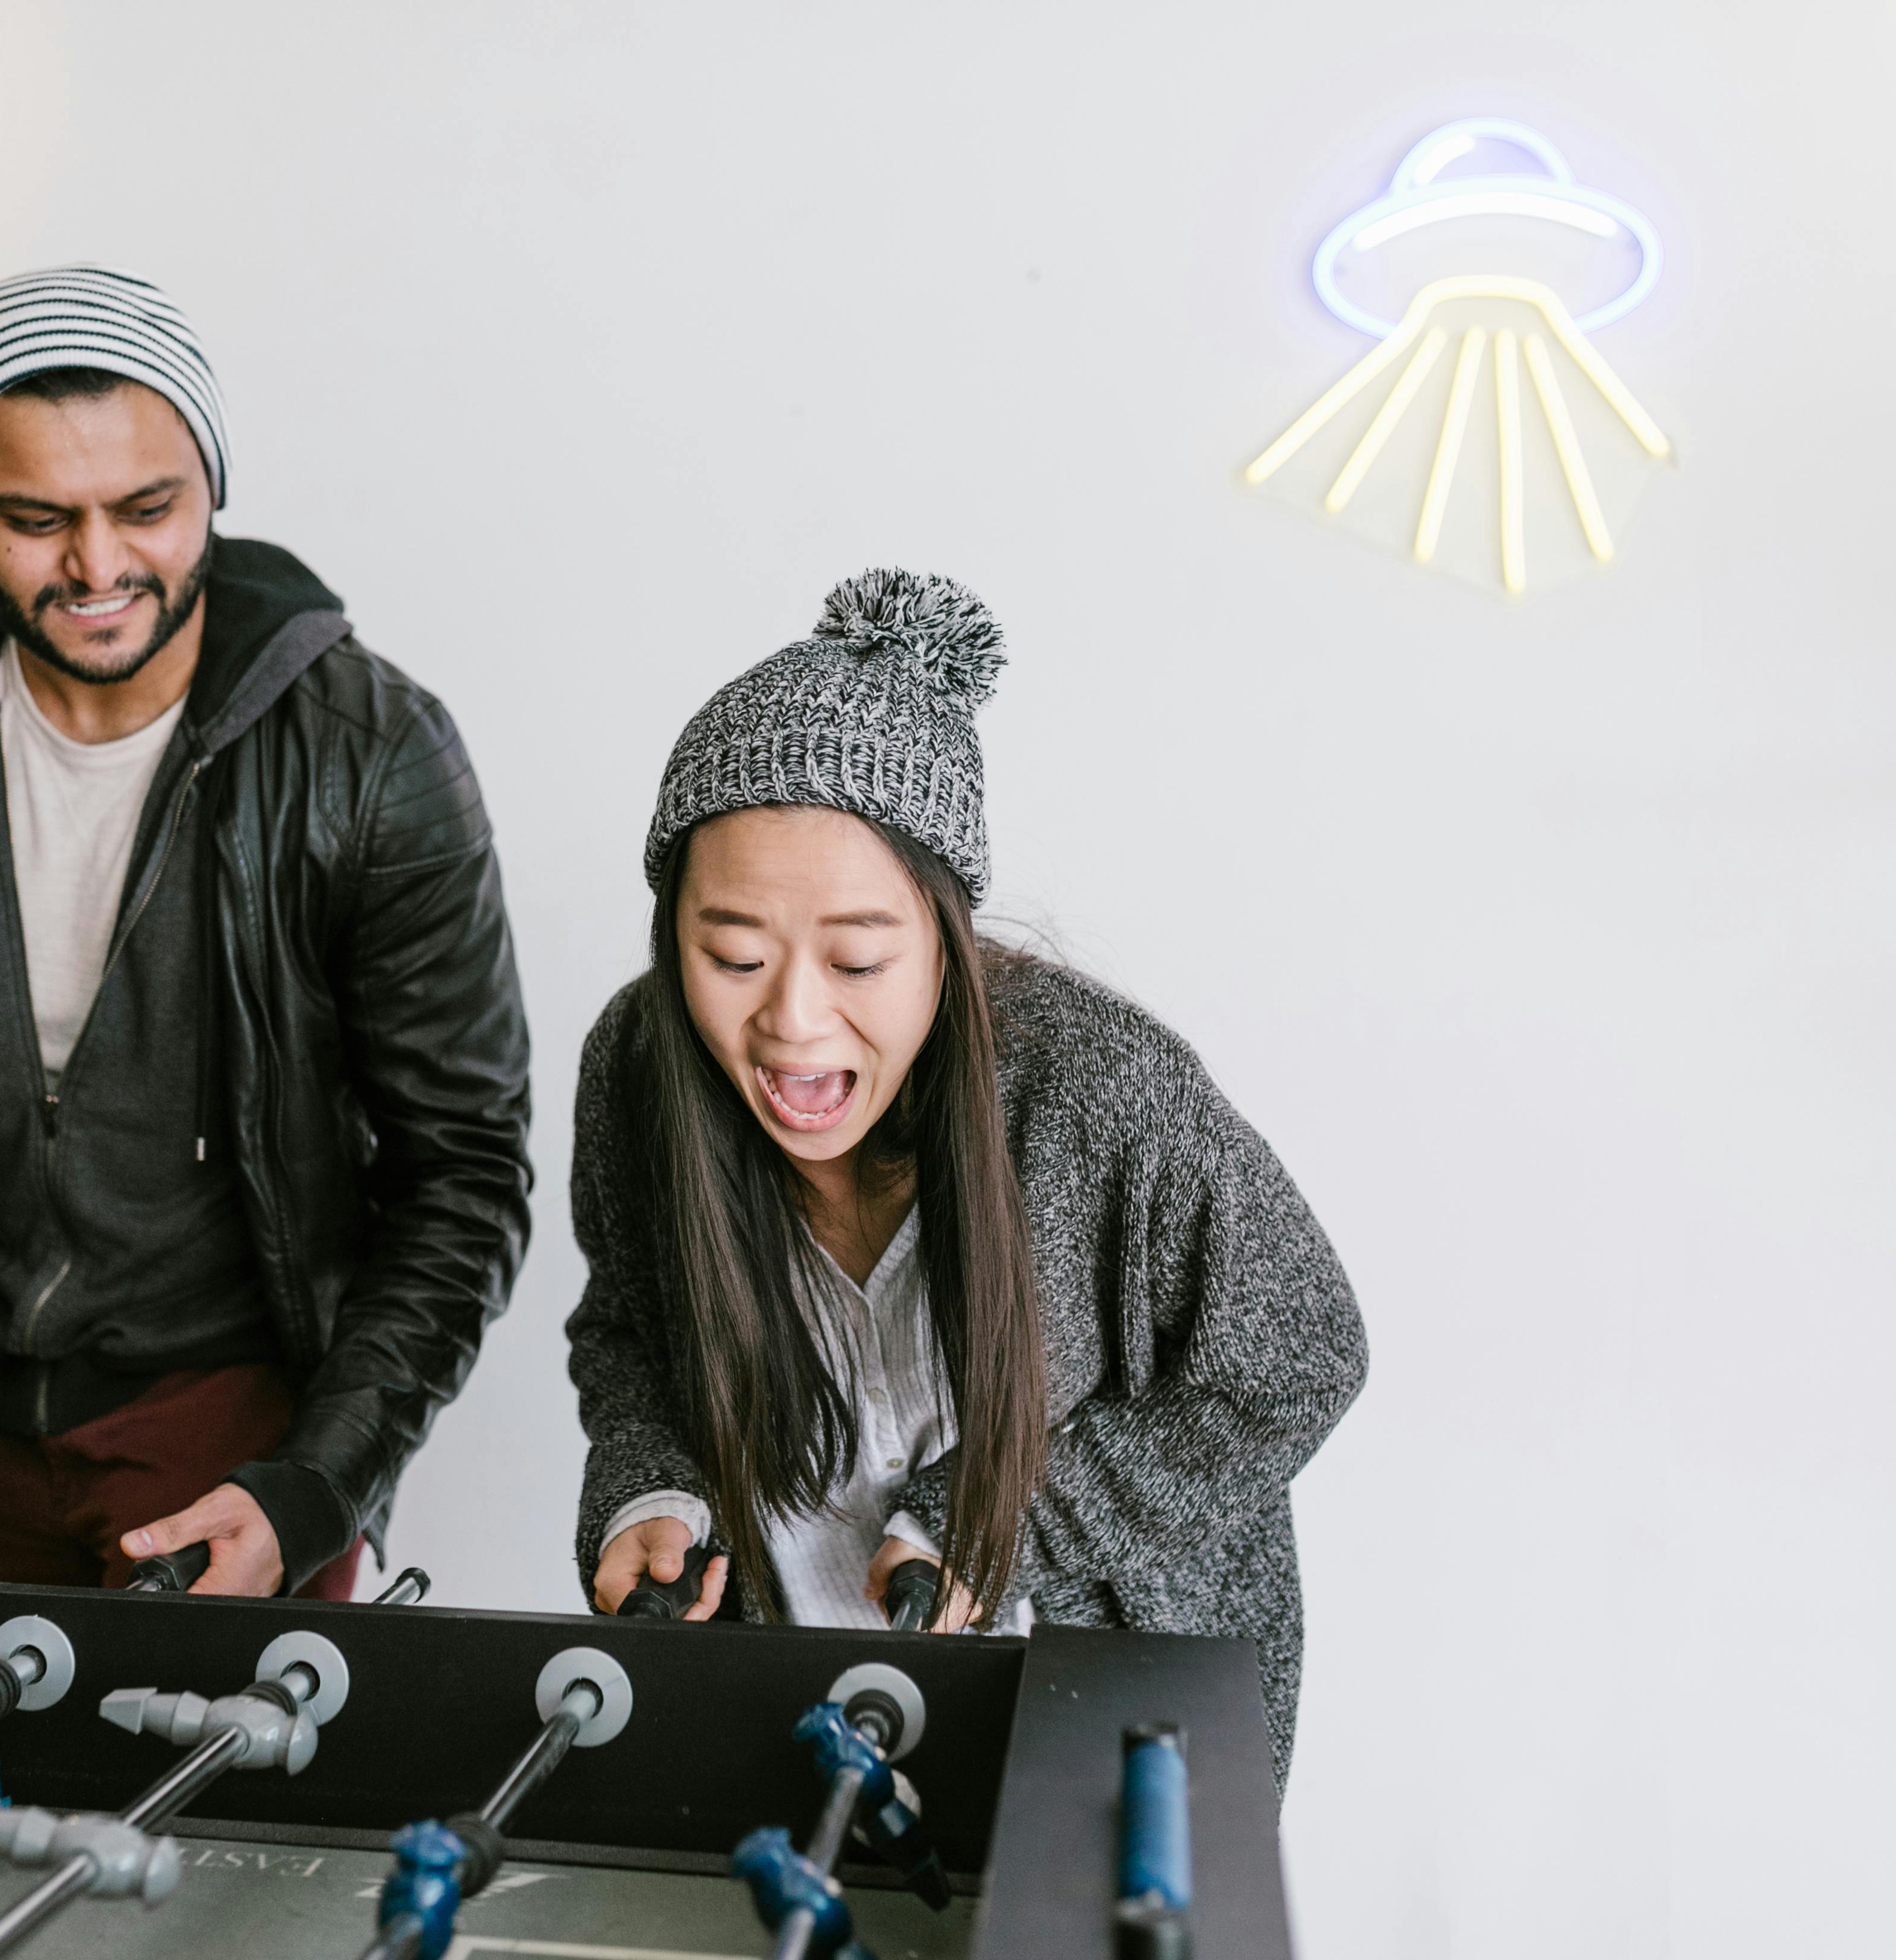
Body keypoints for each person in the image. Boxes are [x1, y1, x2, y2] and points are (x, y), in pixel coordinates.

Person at [0, 266, 533, 1597]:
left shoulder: (374, 754)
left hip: (234, 1441)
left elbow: (461, 1175)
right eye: (32, 519)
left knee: (222, 1810)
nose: (97, 566)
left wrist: (316, 1484)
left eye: (147, 508)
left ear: (213, 491)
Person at [567, 569, 1364, 1781]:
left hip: (1098, 1736)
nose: (792, 1023)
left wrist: (991, 1528)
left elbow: (1300, 1356)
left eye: (857, 959)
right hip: (793, 1727)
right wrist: (647, 1489)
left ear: (947, 942)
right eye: (730, 954)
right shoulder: (637, 1066)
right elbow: (628, 1333)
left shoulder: (1103, 1092)